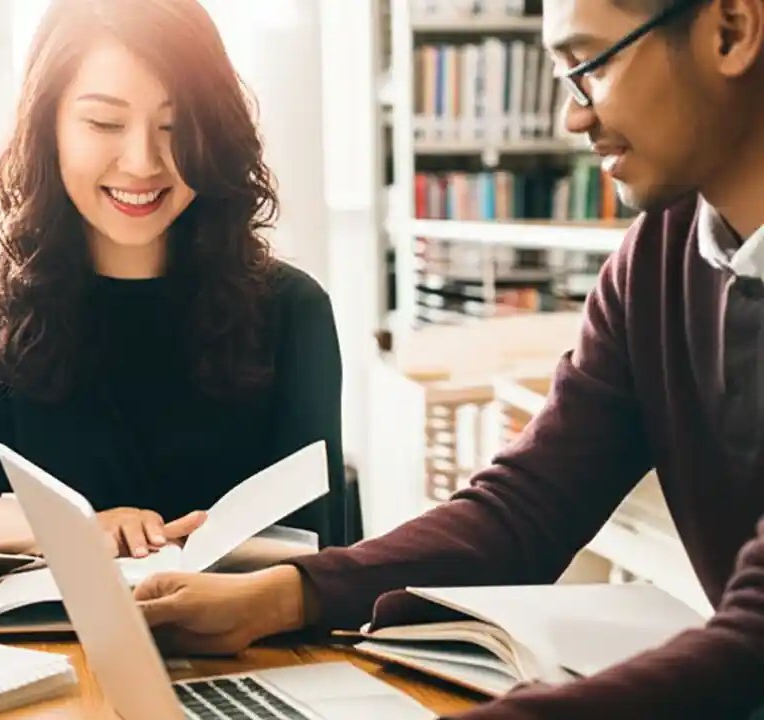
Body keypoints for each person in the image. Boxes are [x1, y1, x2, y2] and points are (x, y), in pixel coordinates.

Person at [132, 0, 764, 717]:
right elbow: (524, 508)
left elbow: (753, 642)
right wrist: (279, 596)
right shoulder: (656, 262)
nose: (574, 117)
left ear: (731, 30)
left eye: (590, 65)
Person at [0, 0, 346, 560]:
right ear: (49, 128)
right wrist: (82, 528)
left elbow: (320, 553)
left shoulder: (293, 312)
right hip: (38, 644)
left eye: (175, 127)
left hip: (248, 644)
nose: (143, 162)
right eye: (104, 123)